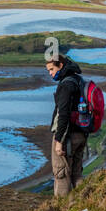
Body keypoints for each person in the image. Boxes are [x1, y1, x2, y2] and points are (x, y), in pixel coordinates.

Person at [45, 54, 89, 196]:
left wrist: (59, 141)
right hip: (81, 133)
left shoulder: (66, 85)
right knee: (76, 174)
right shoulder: (78, 79)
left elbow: (63, 114)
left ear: (61, 65)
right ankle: (85, 204)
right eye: (48, 71)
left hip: (67, 137)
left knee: (61, 174)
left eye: (52, 69)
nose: (50, 74)